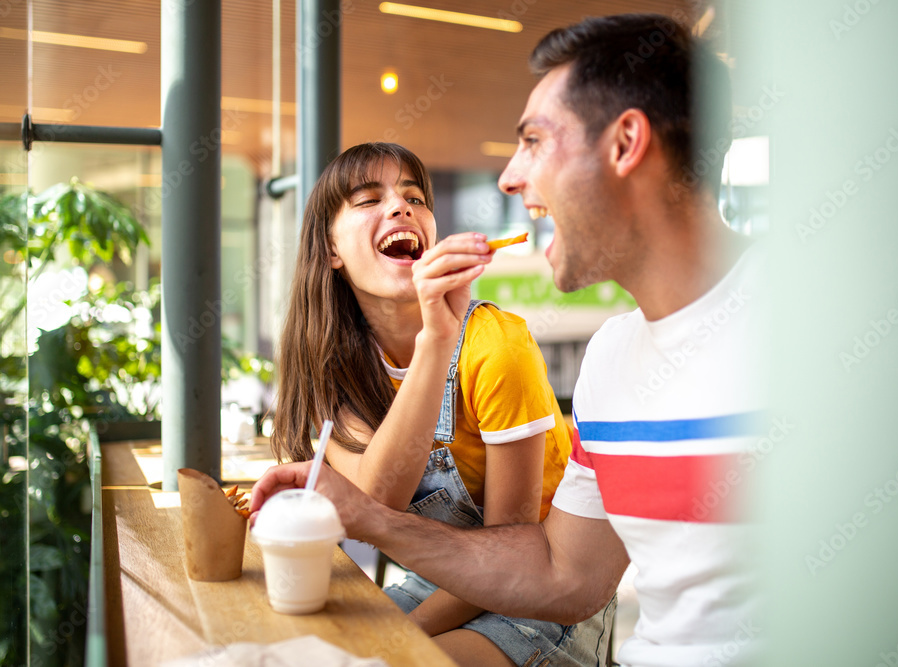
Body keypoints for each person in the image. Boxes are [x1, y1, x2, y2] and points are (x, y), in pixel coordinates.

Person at [254, 13, 765, 667]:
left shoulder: (813, 318)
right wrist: (371, 517)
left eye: (532, 140)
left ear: (624, 143)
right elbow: (565, 573)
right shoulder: (612, 361)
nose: (508, 178)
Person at [267, 141, 615, 667]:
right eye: (367, 200)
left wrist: (397, 637)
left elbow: (509, 557)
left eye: (414, 196)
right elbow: (376, 498)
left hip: (540, 597)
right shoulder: (337, 364)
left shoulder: (497, 345)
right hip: (435, 584)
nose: (401, 207)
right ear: (331, 250)